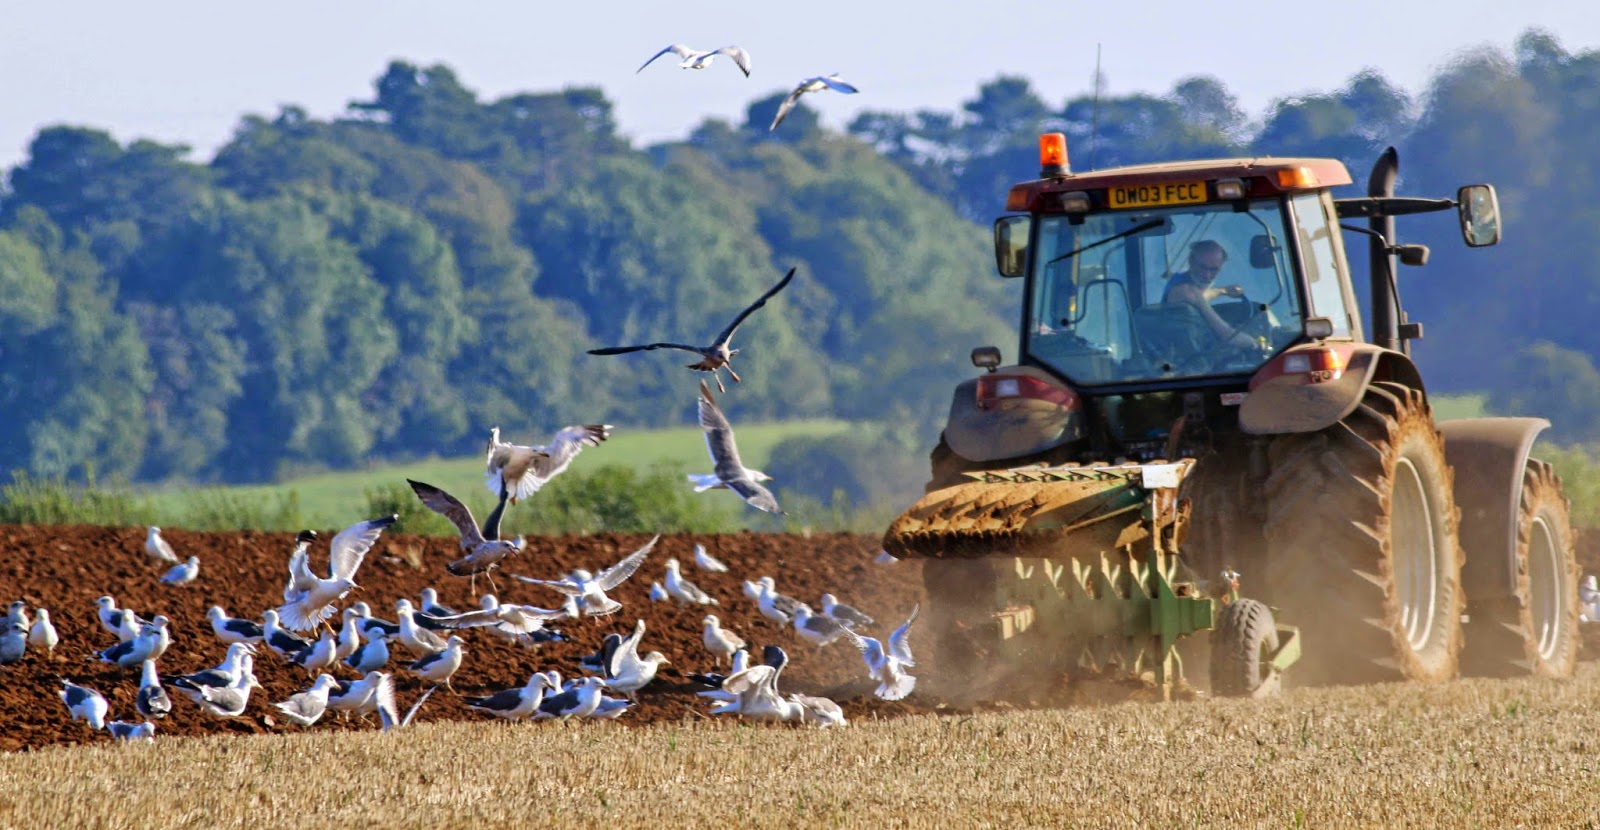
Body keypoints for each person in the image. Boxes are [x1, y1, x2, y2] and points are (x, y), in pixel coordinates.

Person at [1162, 240, 1256, 350]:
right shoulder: (1184, 289)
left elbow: (1200, 298)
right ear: (1191, 261)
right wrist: (1255, 343)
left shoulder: (1181, 281)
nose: (1207, 275)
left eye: (1214, 270)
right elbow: (1227, 335)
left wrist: (1223, 291)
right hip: (1182, 358)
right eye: (1202, 267)